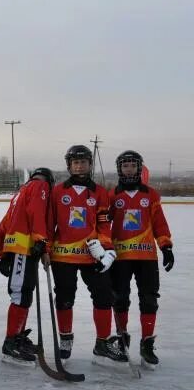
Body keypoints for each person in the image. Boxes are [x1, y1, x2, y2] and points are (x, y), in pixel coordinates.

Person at [48, 145, 124, 363]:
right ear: (69, 165)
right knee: (64, 298)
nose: (79, 165)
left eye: (83, 162)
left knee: (103, 297)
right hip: (62, 255)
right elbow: (49, 223)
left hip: (91, 255)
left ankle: (102, 343)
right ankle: (65, 338)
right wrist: (44, 248)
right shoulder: (58, 191)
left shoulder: (99, 192)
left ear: (90, 164)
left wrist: (107, 250)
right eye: (75, 162)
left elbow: (103, 225)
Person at [109, 150, 173, 369]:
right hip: (120, 257)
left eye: (132, 165)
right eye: (125, 166)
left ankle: (146, 343)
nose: (129, 169)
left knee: (149, 299)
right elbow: (100, 225)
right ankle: (122, 338)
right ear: (120, 169)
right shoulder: (112, 195)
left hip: (146, 257)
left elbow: (160, 223)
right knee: (120, 298)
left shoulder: (151, 195)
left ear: (139, 168)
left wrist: (166, 246)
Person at [0, 167, 54, 364]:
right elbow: (36, 212)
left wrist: (3, 253)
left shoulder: (21, 191)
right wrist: (41, 241)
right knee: (20, 295)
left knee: (25, 293)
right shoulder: (40, 186)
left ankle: (17, 336)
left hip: (20, 249)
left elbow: (4, 224)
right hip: (25, 249)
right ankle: (10, 342)